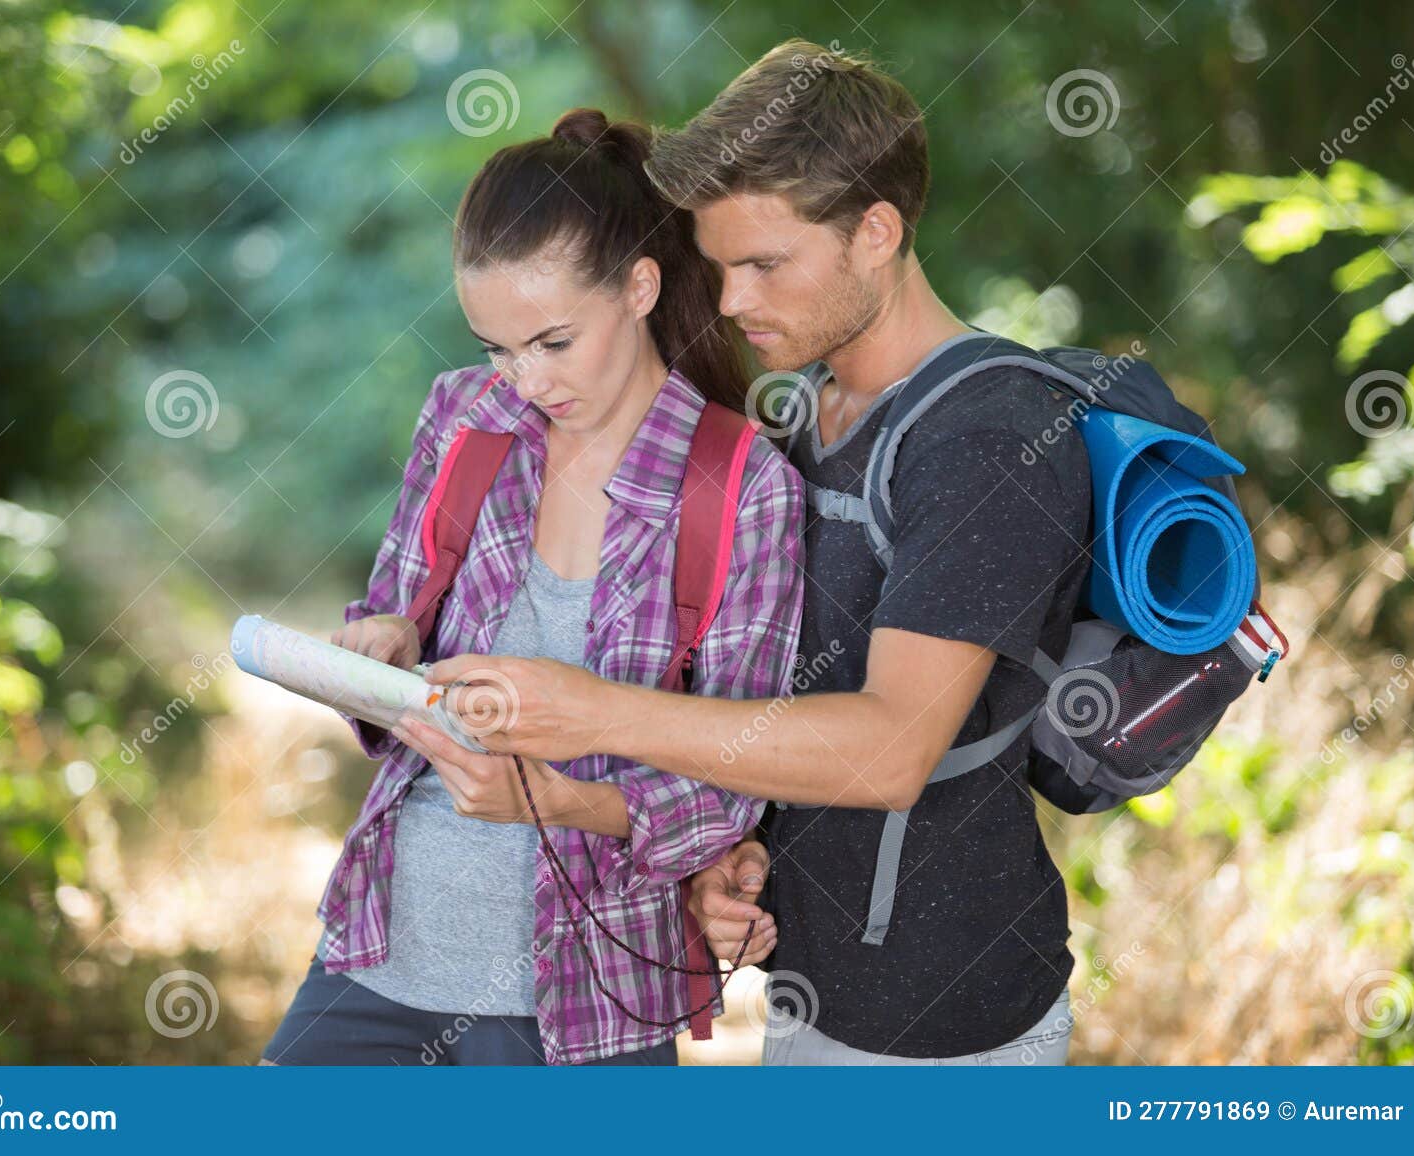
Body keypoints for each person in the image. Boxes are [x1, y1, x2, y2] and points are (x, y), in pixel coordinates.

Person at [429, 42, 1090, 1065]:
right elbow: (769, 706)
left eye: (765, 265)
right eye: (719, 265)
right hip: (812, 996)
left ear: (876, 233)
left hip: (950, 1024)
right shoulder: (797, 418)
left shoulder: (989, 434)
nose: (731, 301)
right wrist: (735, 856)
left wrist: (590, 710)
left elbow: (890, 749)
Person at [260, 107, 805, 1066]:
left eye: (553, 342)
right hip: (380, 950)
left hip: (587, 1001)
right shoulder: (463, 417)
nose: (523, 380)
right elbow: (394, 635)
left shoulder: (743, 487)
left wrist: (557, 802)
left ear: (640, 287)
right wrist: (385, 644)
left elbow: (738, 775)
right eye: (496, 347)